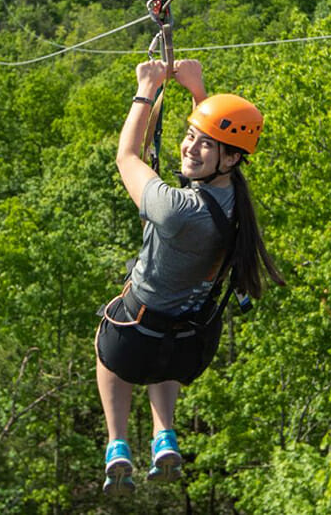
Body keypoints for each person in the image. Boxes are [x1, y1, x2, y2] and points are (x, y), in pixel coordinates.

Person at [95, 58, 284, 494]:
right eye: (190, 136)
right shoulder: (239, 204)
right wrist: (199, 93)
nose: (189, 148)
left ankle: (117, 443)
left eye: (203, 144)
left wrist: (146, 88)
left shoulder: (175, 209)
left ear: (232, 157)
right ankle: (164, 434)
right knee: (167, 337)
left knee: (109, 345)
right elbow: (217, 146)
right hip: (191, 347)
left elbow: (127, 156)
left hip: (133, 337)